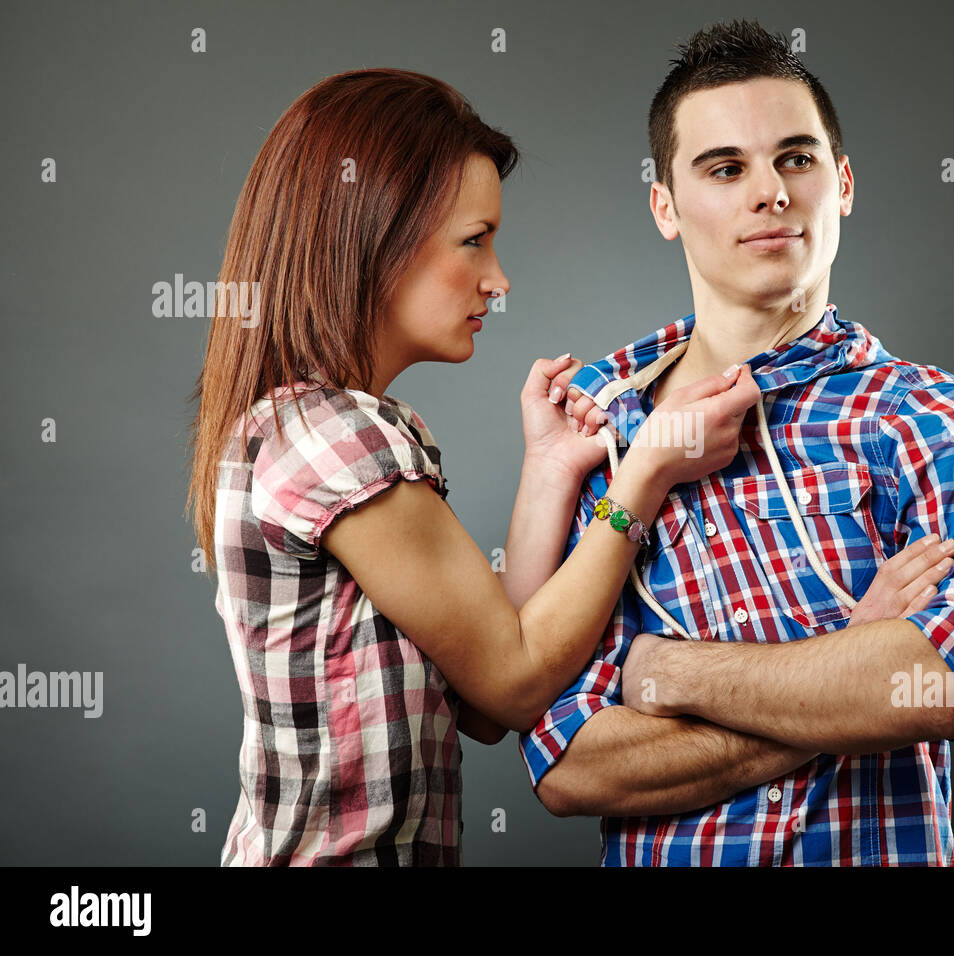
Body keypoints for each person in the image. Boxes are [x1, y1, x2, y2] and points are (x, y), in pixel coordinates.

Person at [184, 68, 789, 865]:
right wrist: (645, 476)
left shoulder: (311, 427)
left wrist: (548, 467)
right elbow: (515, 682)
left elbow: (478, 697)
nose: (497, 280)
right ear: (374, 236)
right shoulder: (334, 437)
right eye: (474, 241)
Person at [523, 20, 954, 866]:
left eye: (797, 159)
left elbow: (933, 688)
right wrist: (841, 673)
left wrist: (674, 674)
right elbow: (571, 765)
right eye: (725, 168)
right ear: (666, 208)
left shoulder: (934, 418)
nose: (772, 193)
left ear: (844, 183)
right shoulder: (599, 426)